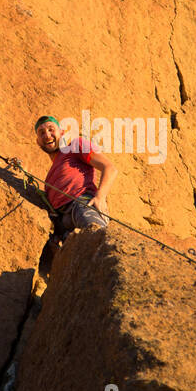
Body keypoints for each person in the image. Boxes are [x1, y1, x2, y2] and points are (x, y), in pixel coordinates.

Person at [33, 114, 116, 279]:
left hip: (81, 204)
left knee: (98, 241)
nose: (47, 135)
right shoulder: (49, 178)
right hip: (62, 221)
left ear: (62, 132)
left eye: (51, 129)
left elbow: (109, 167)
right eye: (41, 133)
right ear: (38, 142)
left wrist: (100, 196)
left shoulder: (75, 145)